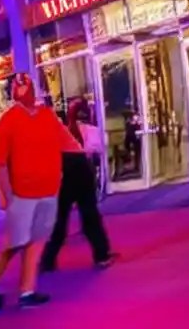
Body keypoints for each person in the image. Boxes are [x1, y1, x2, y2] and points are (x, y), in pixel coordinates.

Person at [0, 73, 70, 311]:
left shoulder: (45, 115)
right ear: (13, 92)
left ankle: (27, 291)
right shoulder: (8, 120)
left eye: (26, 86)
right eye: (18, 87)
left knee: (36, 242)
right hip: (22, 194)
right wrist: (6, 195)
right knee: (13, 244)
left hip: (48, 190)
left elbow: (64, 141)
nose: (23, 91)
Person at [42, 98, 116, 272]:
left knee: (60, 218)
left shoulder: (60, 130)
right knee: (89, 214)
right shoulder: (87, 130)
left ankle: (48, 259)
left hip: (66, 173)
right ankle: (101, 255)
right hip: (80, 171)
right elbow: (96, 149)